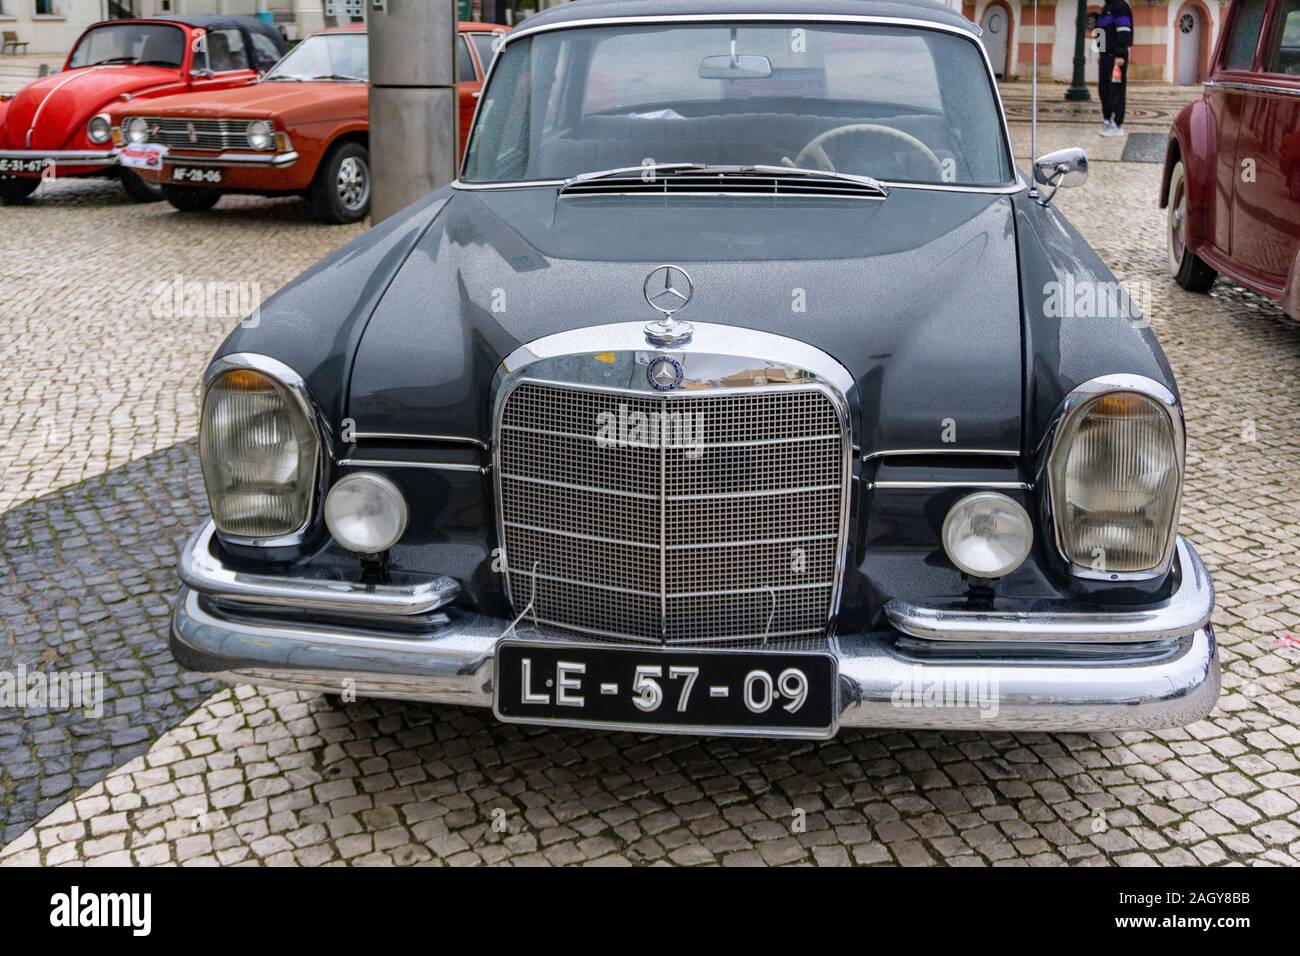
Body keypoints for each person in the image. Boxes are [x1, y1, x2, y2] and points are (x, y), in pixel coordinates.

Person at [1096, 0, 1133, 137]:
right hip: (1106, 56)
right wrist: (1101, 52)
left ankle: (1117, 125)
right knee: (1103, 89)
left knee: (1116, 89)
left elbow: (1124, 31)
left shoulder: (1120, 6)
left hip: (1116, 57)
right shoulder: (1106, 7)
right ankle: (1107, 119)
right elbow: (1100, 31)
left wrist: (1120, 54)